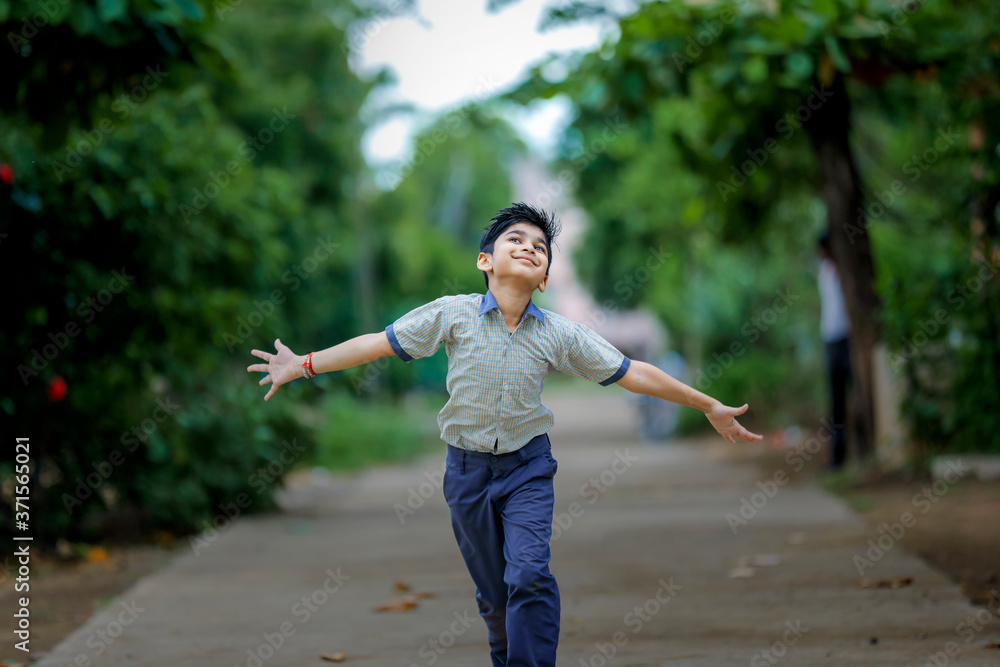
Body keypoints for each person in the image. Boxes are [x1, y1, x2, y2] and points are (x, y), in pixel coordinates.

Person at [247, 202, 763, 667]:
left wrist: (707, 404)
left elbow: (634, 372)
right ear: (485, 261)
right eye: (515, 239)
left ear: (543, 279)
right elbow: (377, 344)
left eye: (540, 247)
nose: (529, 248)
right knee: (496, 599)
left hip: (527, 470)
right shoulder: (453, 315)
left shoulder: (558, 333)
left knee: (528, 577)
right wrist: (304, 364)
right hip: (466, 474)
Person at [817, 231, 852, 469]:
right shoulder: (823, 272)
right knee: (836, 401)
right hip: (830, 338)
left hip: (848, 338)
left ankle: (860, 447)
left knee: (855, 395)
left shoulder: (847, 272)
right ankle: (838, 457)